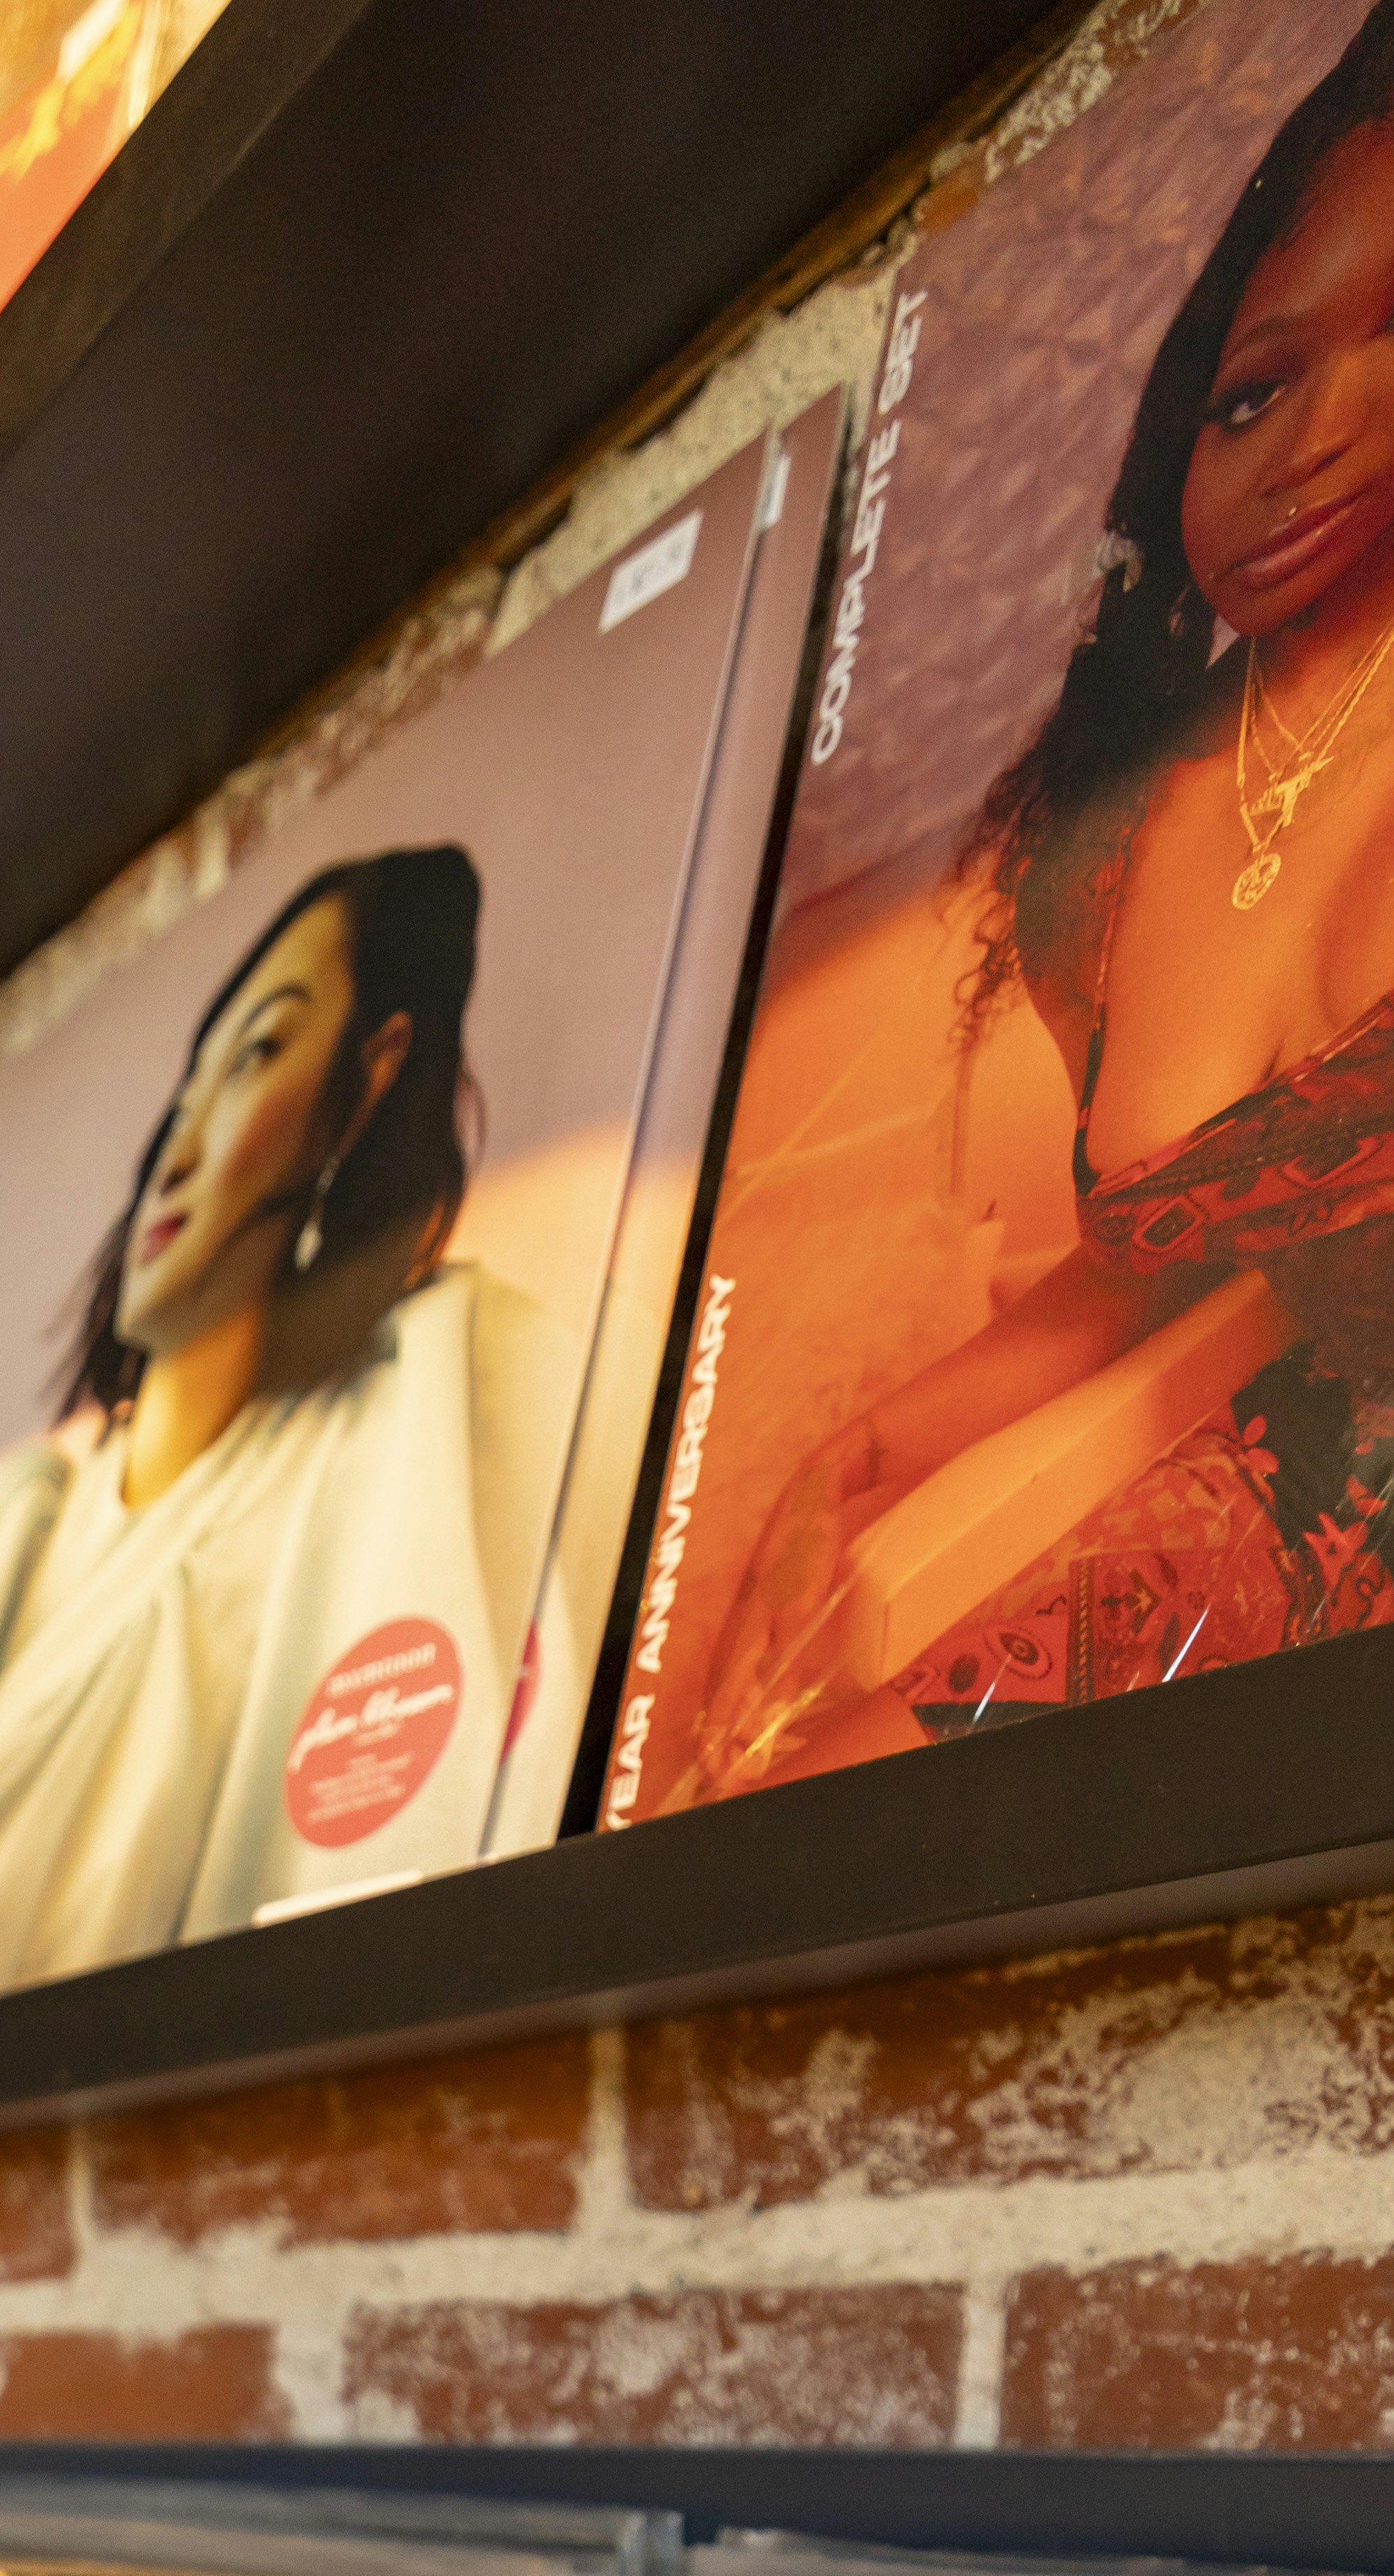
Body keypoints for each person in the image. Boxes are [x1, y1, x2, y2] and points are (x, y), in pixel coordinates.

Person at [673, 1, 1394, 1797]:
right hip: (1320, 1493)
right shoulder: (1101, 850)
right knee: (791, 1822)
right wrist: (840, 1465)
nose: (1324, 435)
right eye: (1251, 392)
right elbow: (1150, 1265)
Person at [0, 844, 573, 2036]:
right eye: (191, 1080)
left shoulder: (412, 1403)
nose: (176, 1146)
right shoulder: (21, 1517)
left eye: (256, 1057)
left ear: (370, 1076)